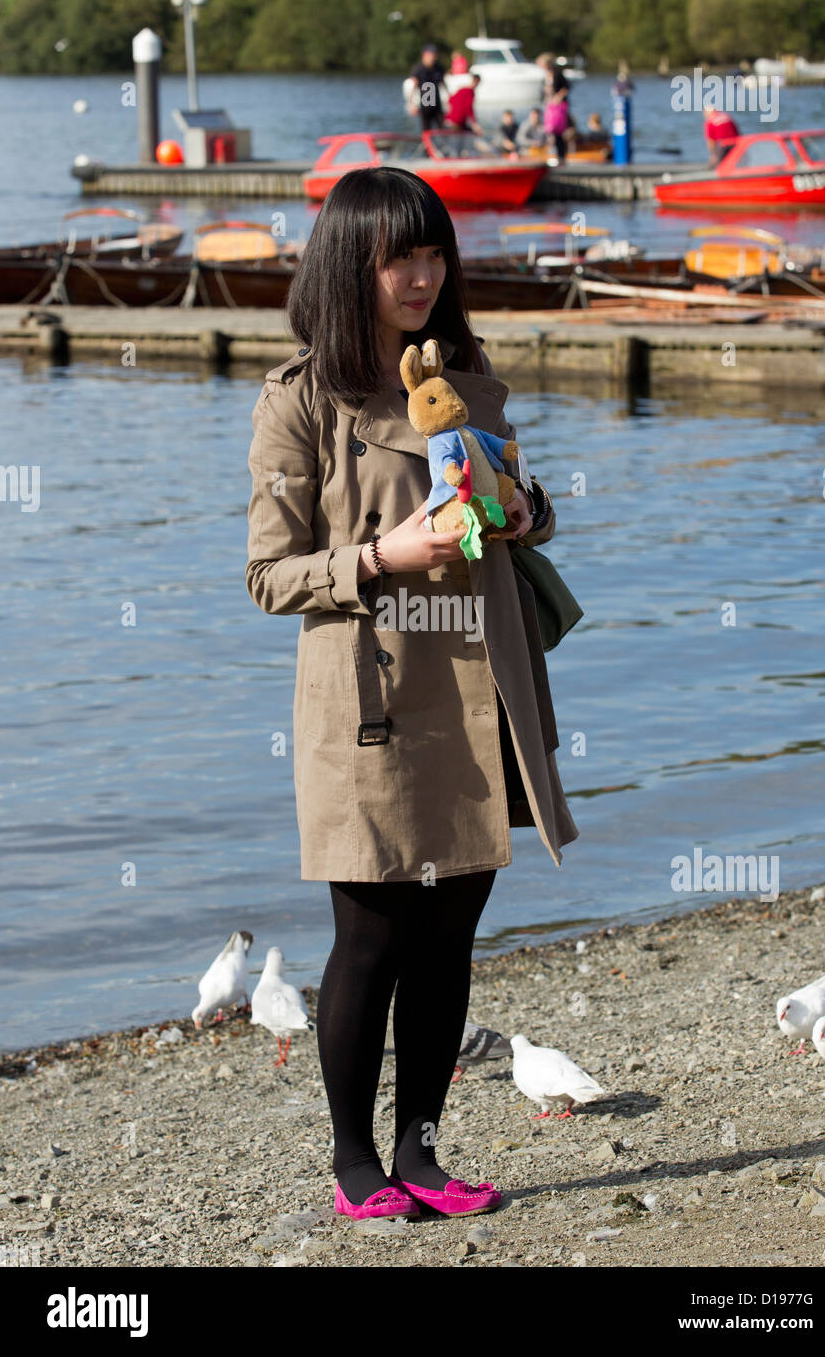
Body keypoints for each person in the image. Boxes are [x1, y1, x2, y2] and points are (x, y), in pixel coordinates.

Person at [245, 167, 578, 1220]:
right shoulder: (299, 398)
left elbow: (525, 502)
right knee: (373, 935)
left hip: (482, 690)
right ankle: (354, 1165)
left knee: (449, 934)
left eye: (434, 253)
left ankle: (422, 1151)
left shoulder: (464, 370)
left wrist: (524, 508)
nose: (423, 274)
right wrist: (380, 556)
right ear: (354, 265)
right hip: (370, 704)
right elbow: (266, 575)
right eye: (402, 256)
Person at [407, 43, 448, 132]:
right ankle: (427, 144)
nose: (433, 58)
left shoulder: (438, 68)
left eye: (434, 55)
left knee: (442, 128)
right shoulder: (418, 69)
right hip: (425, 105)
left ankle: (441, 144)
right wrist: (411, 104)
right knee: (426, 130)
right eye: (431, 55)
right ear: (424, 55)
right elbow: (412, 87)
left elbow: (443, 85)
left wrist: (449, 101)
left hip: (437, 105)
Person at [539, 55, 570, 162]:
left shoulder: (557, 74)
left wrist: (558, 98)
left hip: (558, 108)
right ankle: (554, 154)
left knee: (558, 131)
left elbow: (566, 87)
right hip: (549, 107)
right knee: (550, 130)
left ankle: (561, 156)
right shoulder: (545, 76)